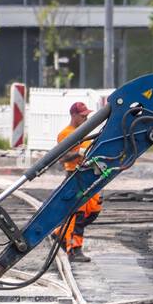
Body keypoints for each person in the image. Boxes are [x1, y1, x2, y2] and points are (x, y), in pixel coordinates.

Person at [58, 101, 102, 263]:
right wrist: (79, 153)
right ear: (74, 115)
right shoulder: (66, 134)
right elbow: (62, 158)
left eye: (87, 115)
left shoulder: (85, 133)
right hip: (74, 176)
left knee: (93, 211)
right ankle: (75, 250)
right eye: (83, 116)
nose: (86, 118)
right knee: (79, 215)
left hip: (89, 175)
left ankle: (59, 234)